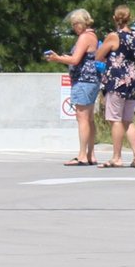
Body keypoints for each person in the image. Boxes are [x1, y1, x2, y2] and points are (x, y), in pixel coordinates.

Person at [44, 9, 103, 165]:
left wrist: (57, 59)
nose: (74, 27)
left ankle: (82, 155)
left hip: (83, 81)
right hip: (92, 80)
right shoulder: (93, 36)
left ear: (81, 23)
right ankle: (91, 154)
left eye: (75, 24)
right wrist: (63, 58)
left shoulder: (84, 37)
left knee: (82, 118)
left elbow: (76, 60)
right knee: (89, 119)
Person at [97, 5, 135, 168]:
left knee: (115, 119)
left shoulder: (114, 36)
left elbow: (99, 55)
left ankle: (117, 157)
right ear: (129, 18)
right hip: (133, 80)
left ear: (114, 18)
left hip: (117, 81)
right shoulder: (134, 36)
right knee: (128, 120)